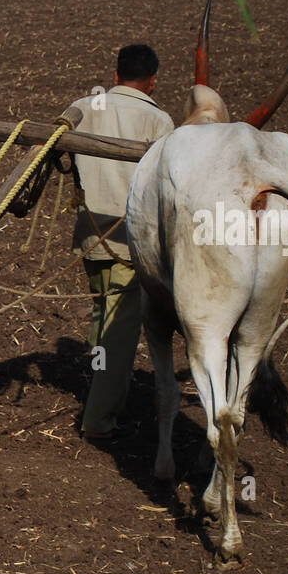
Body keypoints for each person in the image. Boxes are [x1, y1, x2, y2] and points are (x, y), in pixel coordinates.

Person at [70, 44, 175, 441]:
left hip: (89, 236)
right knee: (118, 331)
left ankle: (105, 393)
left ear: (115, 76)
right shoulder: (158, 120)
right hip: (129, 244)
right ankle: (99, 420)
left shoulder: (83, 106)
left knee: (102, 315)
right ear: (152, 81)